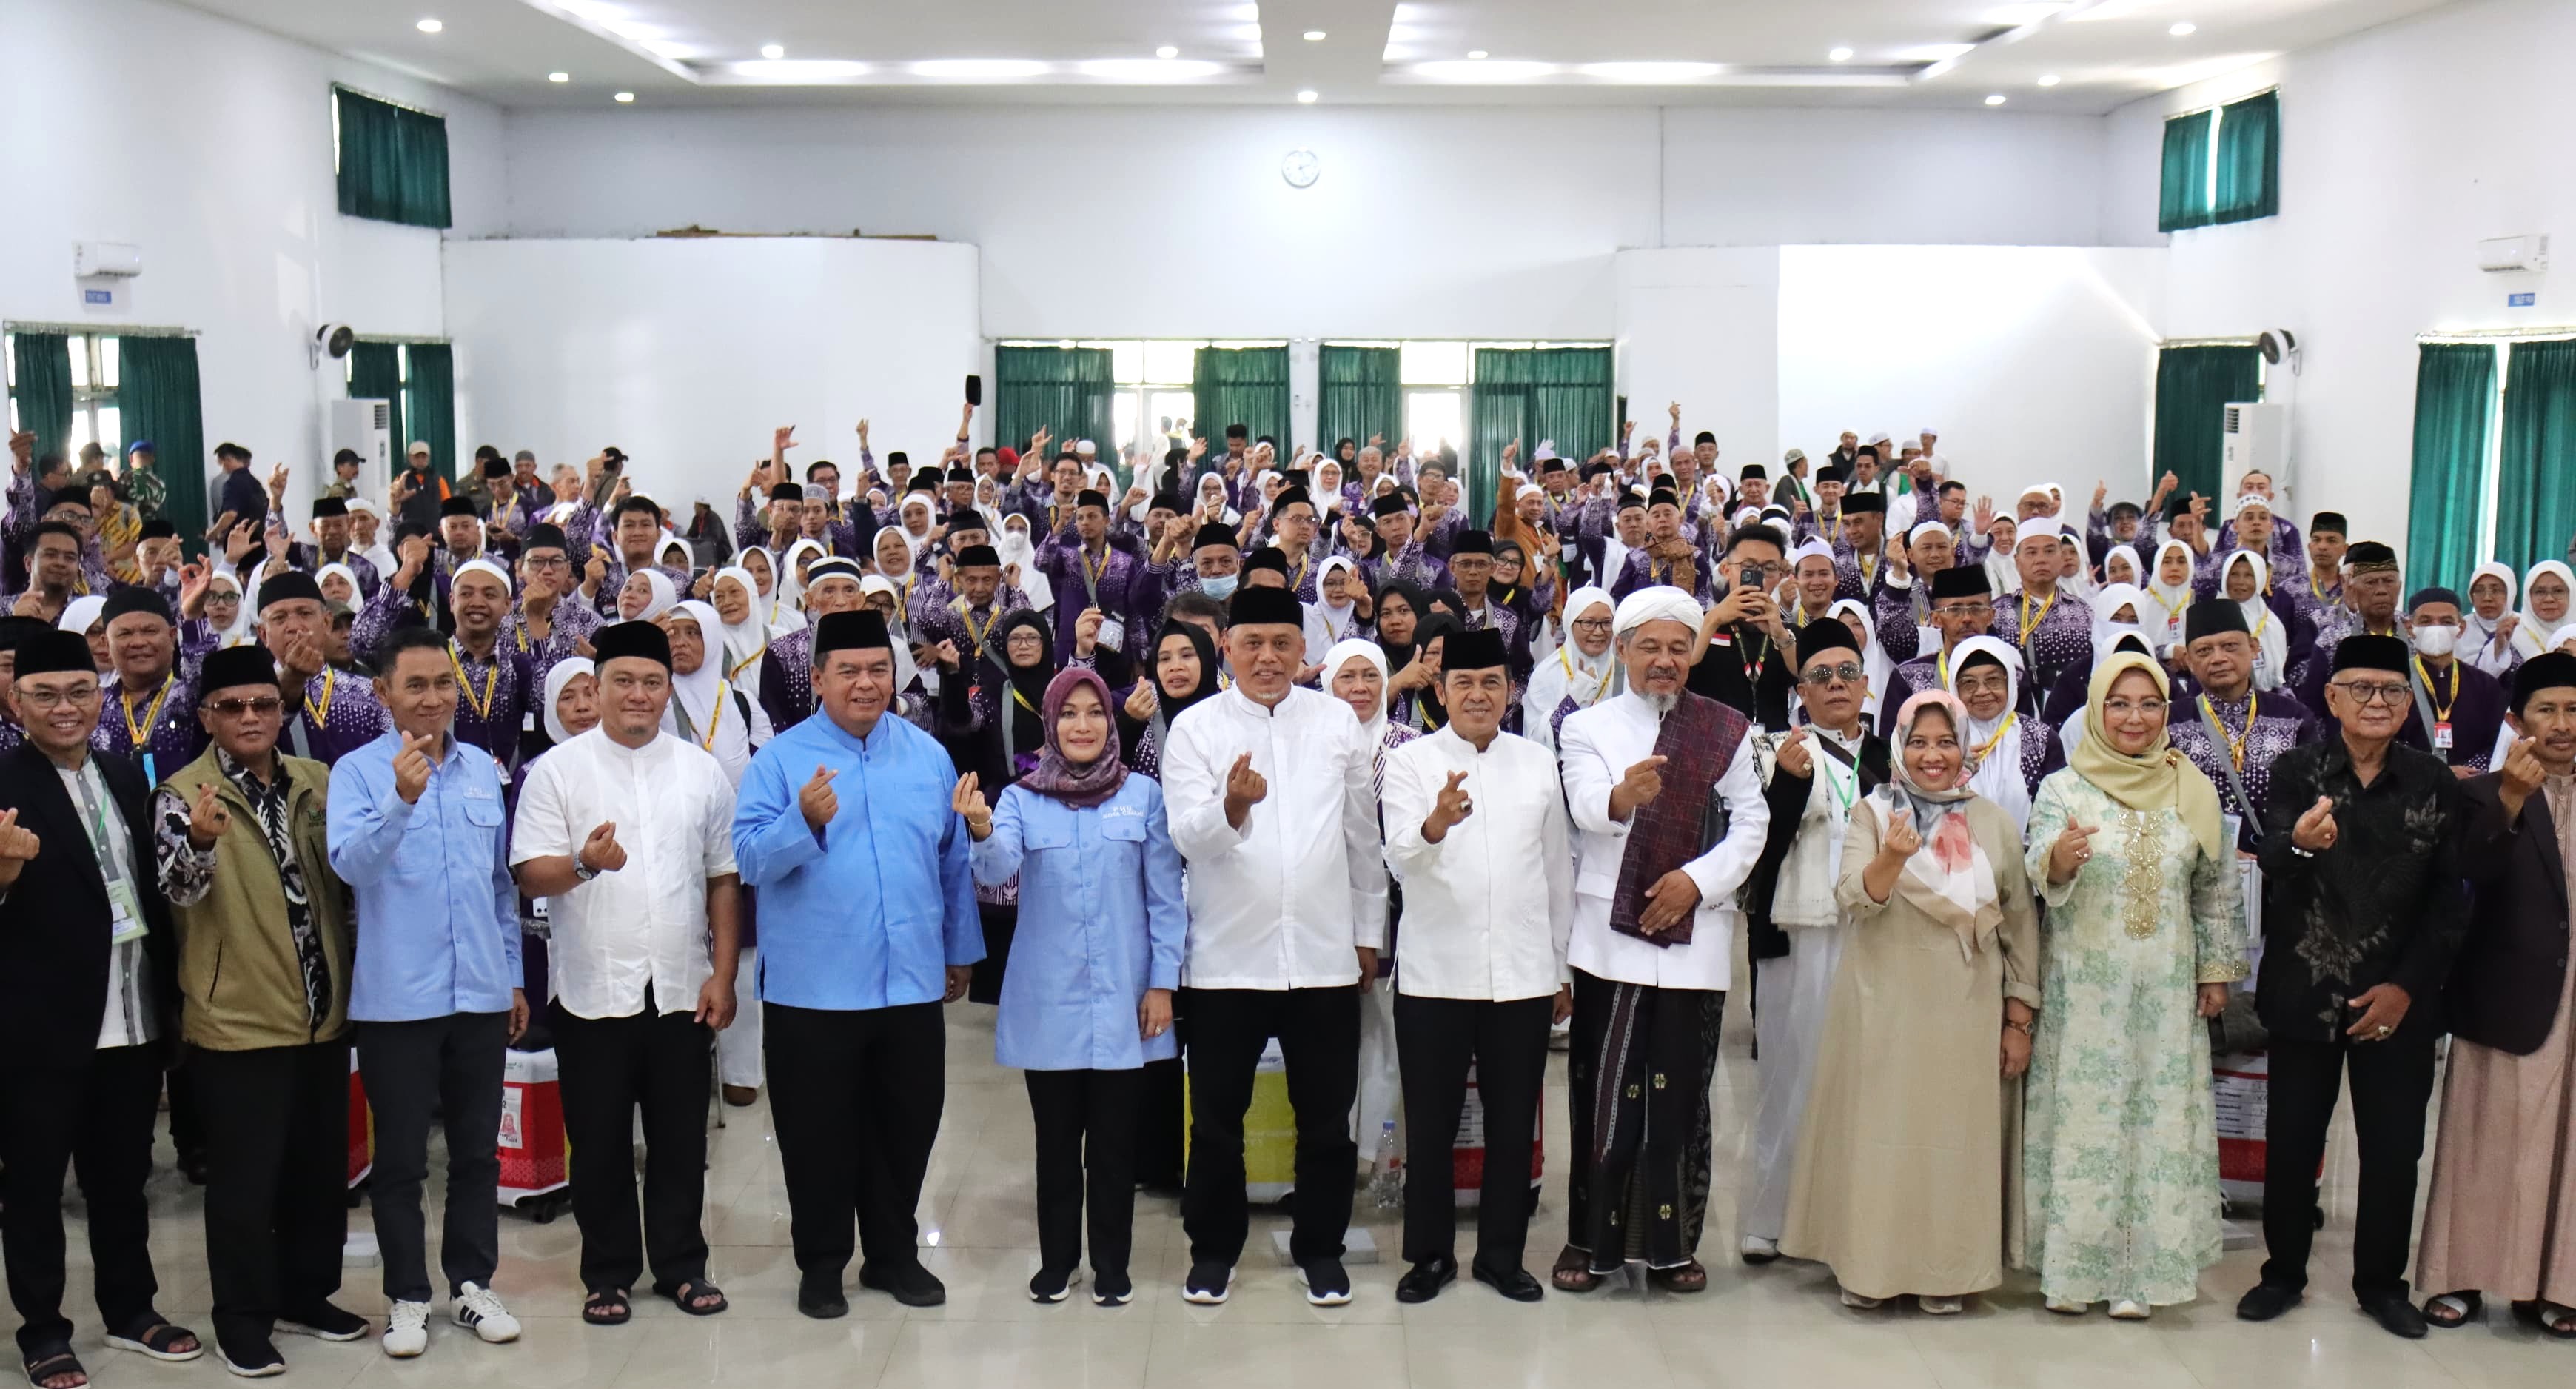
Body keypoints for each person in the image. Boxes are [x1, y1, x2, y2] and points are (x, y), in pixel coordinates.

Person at [731, 609, 980, 1316]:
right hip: (814, 989)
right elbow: (749, 859)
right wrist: (801, 820)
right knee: (818, 1135)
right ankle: (821, 1264)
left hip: (909, 981)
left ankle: (893, 1255)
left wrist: (959, 949)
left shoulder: (927, 755)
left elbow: (952, 859)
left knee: (907, 1125)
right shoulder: (779, 760)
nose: (865, 684)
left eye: (878, 670)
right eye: (848, 671)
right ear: (818, 679)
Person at [1161, 584, 1388, 1307]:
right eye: (1253, 643)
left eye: (1282, 644)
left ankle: (1320, 1249)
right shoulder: (1195, 728)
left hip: (1322, 956)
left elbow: (1362, 837)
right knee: (1216, 1123)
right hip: (1227, 958)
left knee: (1325, 1122)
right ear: (1227, 647)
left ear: (1303, 650)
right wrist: (1232, 806)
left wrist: (1367, 932)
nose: (1267, 657)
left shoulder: (1335, 722)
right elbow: (1186, 837)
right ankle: (1213, 1251)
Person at [511, 620, 741, 1326]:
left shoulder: (700, 770)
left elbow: (723, 877)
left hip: (680, 987)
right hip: (591, 991)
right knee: (600, 1142)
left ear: (668, 689)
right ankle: (608, 1273)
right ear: (597, 688)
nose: (638, 694)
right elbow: (529, 873)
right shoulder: (557, 771)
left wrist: (723, 975)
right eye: (623, 682)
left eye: (651, 682)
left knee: (681, 1140)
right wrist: (584, 865)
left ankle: (681, 1265)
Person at [1781, 689, 2040, 1313]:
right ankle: (1869, 1266)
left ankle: (1946, 1273)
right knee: (1881, 1136)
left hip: (1966, 1005)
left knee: (1952, 1139)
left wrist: (2019, 1015)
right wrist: (1893, 859)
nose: (1932, 755)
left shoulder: (1993, 822)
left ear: (1964, 747)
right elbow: (1854, 897)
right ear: (1899, 747)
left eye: (1946, 742)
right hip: (1882, 1002)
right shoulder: (1874, 813)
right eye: (1919, 742)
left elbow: (2019, 923)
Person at [2238, 634, 2466, 1339]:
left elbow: (2448, 903)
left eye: (2392, 690)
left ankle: (2382, 1286)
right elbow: (2271, 859)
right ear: (2332, 698)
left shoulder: (2434, 781)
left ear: (2408, 703)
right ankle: (2282, 1275)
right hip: (2304, 990)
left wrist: (2405, 989)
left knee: (2394, 1150)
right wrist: (2301, 843)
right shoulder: (2295, 768)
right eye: (2361, 689)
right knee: (2292, 1141)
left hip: (2398, 997)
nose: (2377, 701)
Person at [150, 645, 369, 1374]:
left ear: (282, 711)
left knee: (318, 1170)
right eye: (233, 707)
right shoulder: (183, 794)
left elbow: (350, 881)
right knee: (246, 1185)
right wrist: (200, 842)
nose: (251, 717)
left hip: (322, 1011)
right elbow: (178, 890)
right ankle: (242, 1318)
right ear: (207, 716)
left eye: (264, 704)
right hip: (238, 1020)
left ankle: (307, 1294)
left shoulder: (317, 781)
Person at [0, 629, 203, 1389]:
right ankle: (44, 1329)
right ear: (16, 702)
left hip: (131, 1015)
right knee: (34, 1187)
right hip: (40, 1027)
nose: (66, 708)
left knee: (121, 1179)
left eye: (80, 692)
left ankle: (131, 1309)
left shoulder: (124, 772)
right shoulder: (4, 781)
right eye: (46, 694)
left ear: (100, 696)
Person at [1553, 586, 1770, 1293]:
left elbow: (1752, 823)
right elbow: (1586, 804)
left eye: (1679, 647)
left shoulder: (1726, 727)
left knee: (1678, 1099)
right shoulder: (1586, 726)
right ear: (1622, 650)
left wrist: (1696, 883)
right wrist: (1624, 798)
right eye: (1649, 646)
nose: (1665, 661)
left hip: (1695, 939)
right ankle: (1590, 1241)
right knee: (1605, 1095)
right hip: (1609, 941)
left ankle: (1674, 1248)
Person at [2018, 654, 2245, 1318]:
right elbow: (2037, 864)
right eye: (2118, 703)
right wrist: (2059, 860)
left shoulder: (2192, 789)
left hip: (2167, 990)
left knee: (2157, 1121)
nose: (2135, 717)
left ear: (2166, 712)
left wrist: (2216, 971)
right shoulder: (2064, 788)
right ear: (2096, 709)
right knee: (2084, 1121)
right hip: (2084, 989)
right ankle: (2073, 1271)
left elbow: (2215, 887)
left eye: (2149, 704)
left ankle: (2140, 1275)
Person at [325, 625, 527, 1358]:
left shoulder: (481, 770)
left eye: (444, 683)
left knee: (477, 1155)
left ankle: (472, 1284)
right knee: (403, 1161)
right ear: (384, 692)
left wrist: (511, 974)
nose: (433, 698)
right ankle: (407, 1296)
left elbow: (499, 887)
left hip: (479, 994)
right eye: (416, 685)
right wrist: (400, 801)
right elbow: (350, 867)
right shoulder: (356, 773)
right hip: (397, 1002)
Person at [956, 666, 1186, 1305]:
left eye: (1093, 713)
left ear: (1111, 722)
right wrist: (980, 828)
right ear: (1050, 724)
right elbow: (996, 869)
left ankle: (1112, 1266)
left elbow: (1166, 899)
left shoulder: (1143, 796)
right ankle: (1058, 1263)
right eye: (1067, 714)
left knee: (1114, 1147)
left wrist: (1162, 984)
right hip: (1049, 1000)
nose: (1081, 726)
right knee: (1055, 1144)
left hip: (1125, 999)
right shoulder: (1021, 799)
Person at [1377, 627, 1573, 1303]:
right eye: (1463, 683)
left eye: (1492, 682)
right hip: (1435, 974)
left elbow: (1556, 871)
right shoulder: (1410, 761)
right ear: (1441, 691)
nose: (1478, 695)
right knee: (1430, 1126)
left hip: (1522, 974)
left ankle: (1500, 1256)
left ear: (1511, 691)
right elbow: (1399, 858)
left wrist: (1561, 969)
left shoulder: (1536, 763)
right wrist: (1436, 823)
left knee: (1512, 1124)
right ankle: (1430, 1255)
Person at [2414, 652, 2576, 1336]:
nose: (2563, 724)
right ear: (2517, 720)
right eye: (2547, 710)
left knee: (2569, 1149)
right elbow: (2469, 873)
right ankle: (2461, 1275)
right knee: (2485, 1143)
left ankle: (2558, 1285)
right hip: (2507, 994)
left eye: (2574, 710)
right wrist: (2510, 798)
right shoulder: (2482, 793)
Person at [1737, 619, 1886, 1265]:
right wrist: (1789, 787)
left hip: (1875, 931)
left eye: (1847, 674)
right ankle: (1772, 1219)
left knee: (1867, 1077)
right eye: (1820, 676)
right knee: (1790, 1074)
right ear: (1801, 691)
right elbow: (1753, 850)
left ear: (1865, 684)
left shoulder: (1894, 754)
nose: (1835, 685)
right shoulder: (1773, 749)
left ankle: (1850, 1221)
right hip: (1799, 933)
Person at [2169, 598, 2315, 852]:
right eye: (2204, 651)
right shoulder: (2172, 721)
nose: (2218, 658)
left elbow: (2313, 797)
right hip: (2194, 861)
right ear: (2190, 662)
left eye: (2230, 646)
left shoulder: (2294, 718)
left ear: (2254, 648)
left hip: (2278, 865)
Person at [1941, 634, 2064, 830]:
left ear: (2010, 682)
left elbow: (2059, 805)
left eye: (1993, 680)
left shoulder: (2041, 738)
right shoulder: (1941, 738)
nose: (1982, 691)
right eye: (1969, 683)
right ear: (1955, 689)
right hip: (1955, 846)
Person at [1522, 586, 1620, 750]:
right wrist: (1578, 695)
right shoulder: (1547, 674)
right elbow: (1538, 745)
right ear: (1570, 624)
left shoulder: (1624, 669)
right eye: (1588, 623)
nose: (1599, 632)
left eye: (1606, 623)